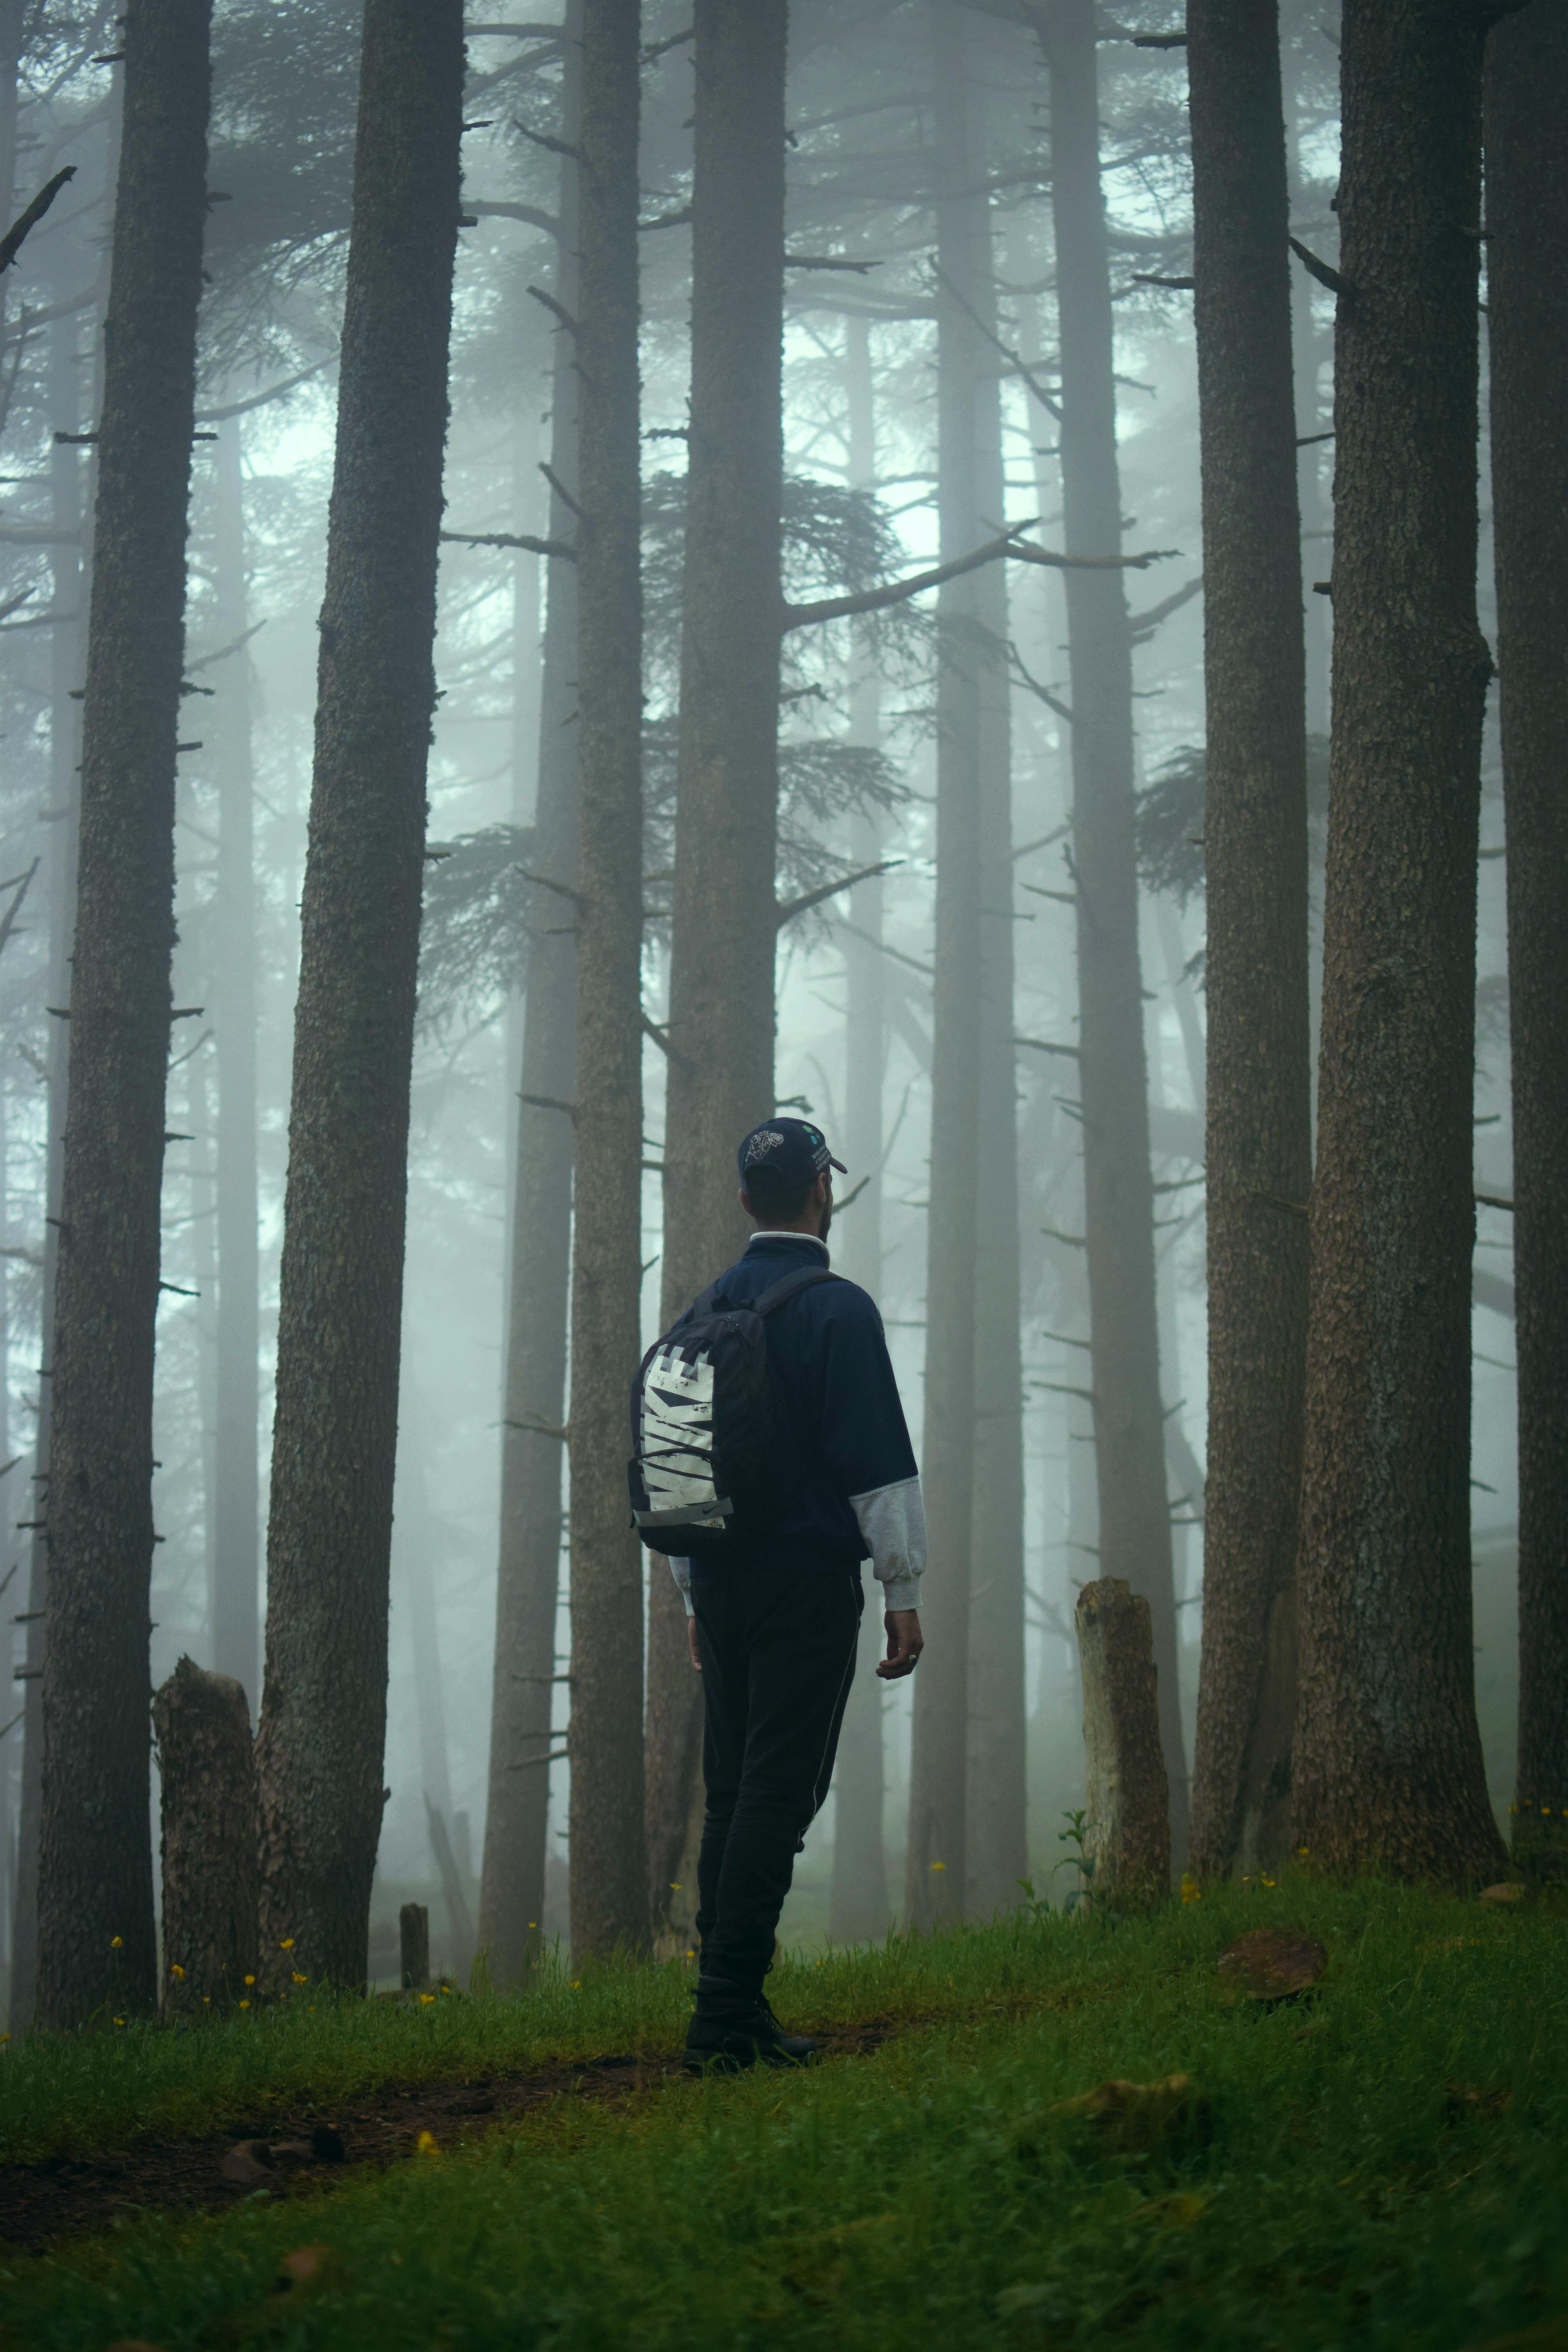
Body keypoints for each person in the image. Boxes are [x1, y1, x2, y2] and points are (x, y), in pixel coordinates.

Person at [670, 1116, 926, 2074]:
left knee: (733, 1794)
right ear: (822, 1189)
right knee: (780, 1793)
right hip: (805, 1589)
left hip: (719, 1585)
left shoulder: (698, 1312)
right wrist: (902, 1587)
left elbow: (679, 1469)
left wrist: (692, 1597)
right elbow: (878, 1466)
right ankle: (723, 2016)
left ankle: (728, 2002)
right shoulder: (837, 1311)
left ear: (745, 1200)